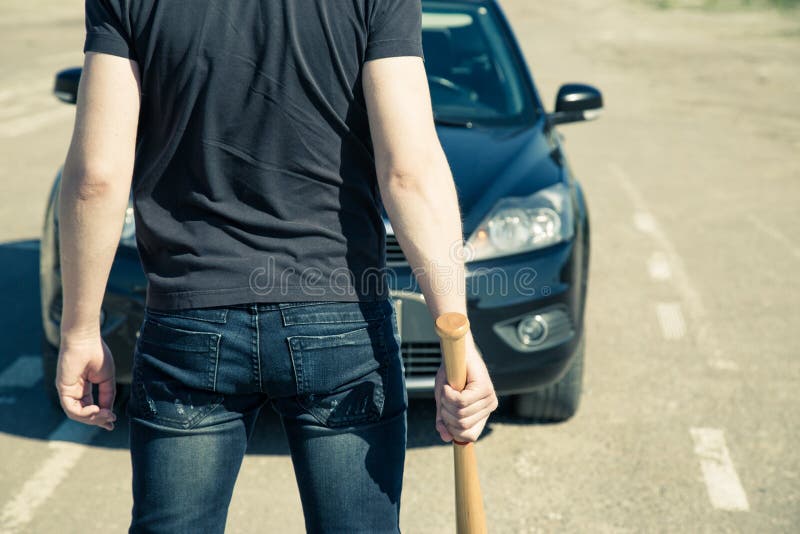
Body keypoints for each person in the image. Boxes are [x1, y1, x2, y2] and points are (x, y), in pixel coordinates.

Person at [56, 0, 497, 532]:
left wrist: (81, 329)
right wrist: (456, 326)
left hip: (191, 316)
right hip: (339, 316)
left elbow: (96, 178)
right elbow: (409, 170)